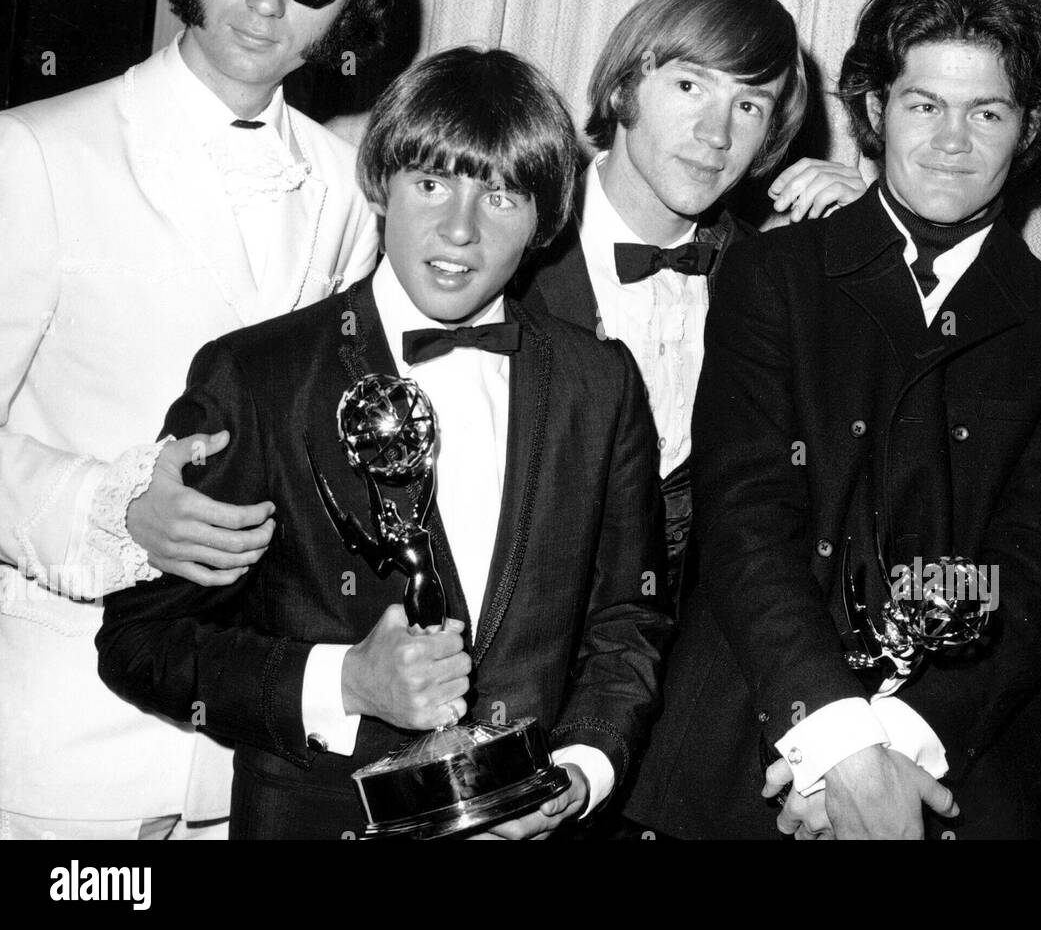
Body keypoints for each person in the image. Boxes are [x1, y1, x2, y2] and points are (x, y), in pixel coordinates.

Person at [96, 47, 673, 840]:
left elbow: (627, 622)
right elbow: (140, 641)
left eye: (501, 196)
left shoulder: (599, 383)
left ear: (547, 220)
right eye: (431, 184)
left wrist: (580, 772)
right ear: (381, 185)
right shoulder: (260, 375)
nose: (459, 229)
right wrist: (344, 682)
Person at [626, 0, 1041, 840]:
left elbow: (1037, 566)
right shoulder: (772, 276)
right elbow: (747, 519)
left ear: (1030, 128)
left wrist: (902, 740)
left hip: (954, 770)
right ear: (877, 110)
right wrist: (841, 743)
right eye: (924, 104)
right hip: (742, 760)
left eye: (988, 112)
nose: (951, 140)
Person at [0, 0, 398, 839]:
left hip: (254, 746)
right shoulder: (37, 153)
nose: (269, 2)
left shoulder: (352, 197)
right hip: (63, 731)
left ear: (348, 7)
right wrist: (117, 508)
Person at [514, 0, 858, 617]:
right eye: (690, 85)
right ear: (623, 88)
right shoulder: (512, 239)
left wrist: (880, 246)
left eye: (750, 105)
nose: (717, 133)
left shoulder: (774, 281)